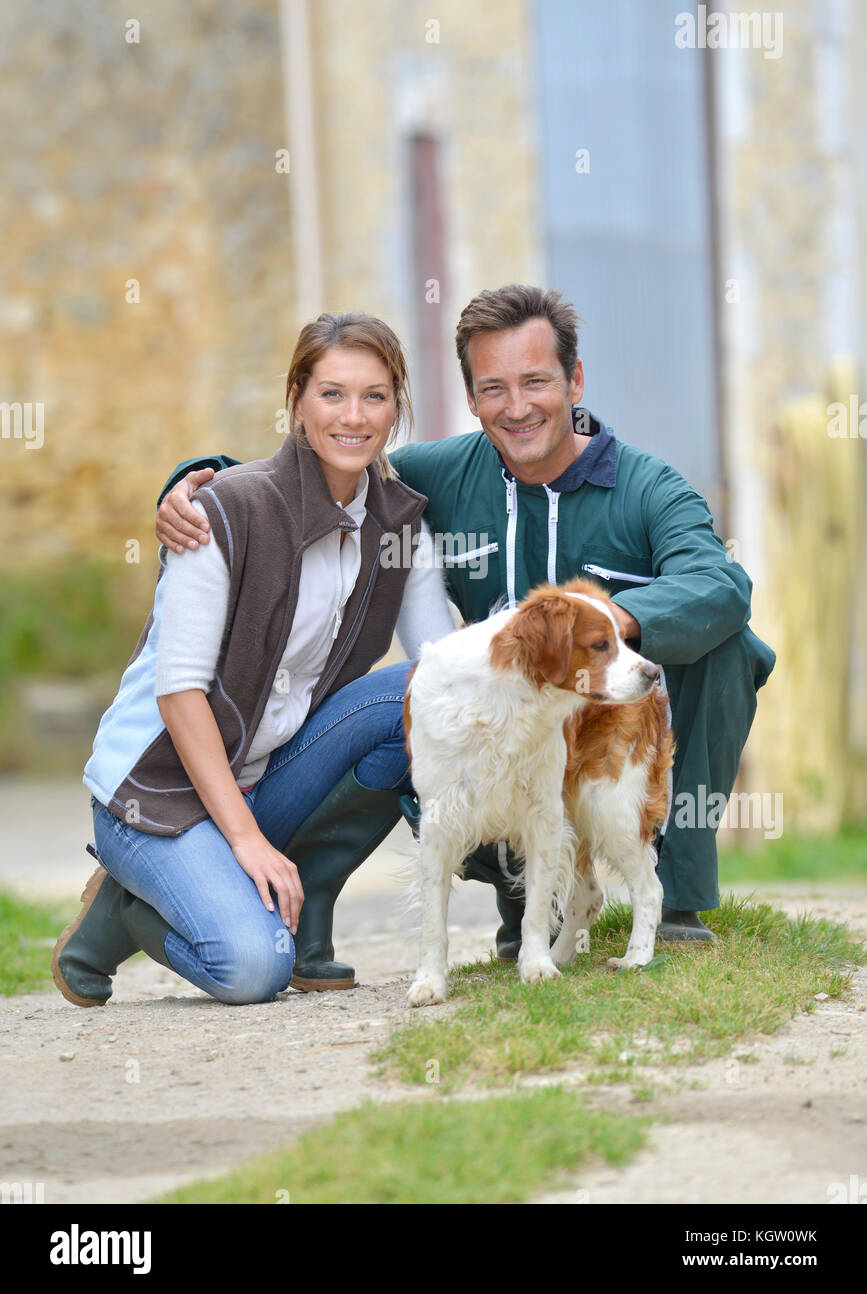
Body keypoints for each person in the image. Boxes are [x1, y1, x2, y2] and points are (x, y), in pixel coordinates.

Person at [155, 285, 777, 955]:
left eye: (535, 382)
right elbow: (332, 461)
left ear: (574, 381)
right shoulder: (434, 474)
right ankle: (514, 900)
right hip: (503, 740)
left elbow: (721, 586)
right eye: (493, 389)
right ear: (471, 398)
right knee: (413, 692)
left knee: (730, 646)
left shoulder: (648, 488)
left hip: (615, 735)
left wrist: (602, 627)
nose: (517, 407)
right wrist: (201, 479)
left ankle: (677, 896)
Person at [52, 312, 457, 1007]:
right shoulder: (222, 511)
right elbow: (179, 693)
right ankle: (125, 906)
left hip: (264, 774)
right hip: (155, 789)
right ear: (296, 399)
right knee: (252, 969)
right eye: (331, 394)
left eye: (375, 396)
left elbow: (444, 669)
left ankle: (305, 900)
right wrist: (246, 841)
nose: (353, 417)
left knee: (420, 695)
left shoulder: (399, 526)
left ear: (397, 406)